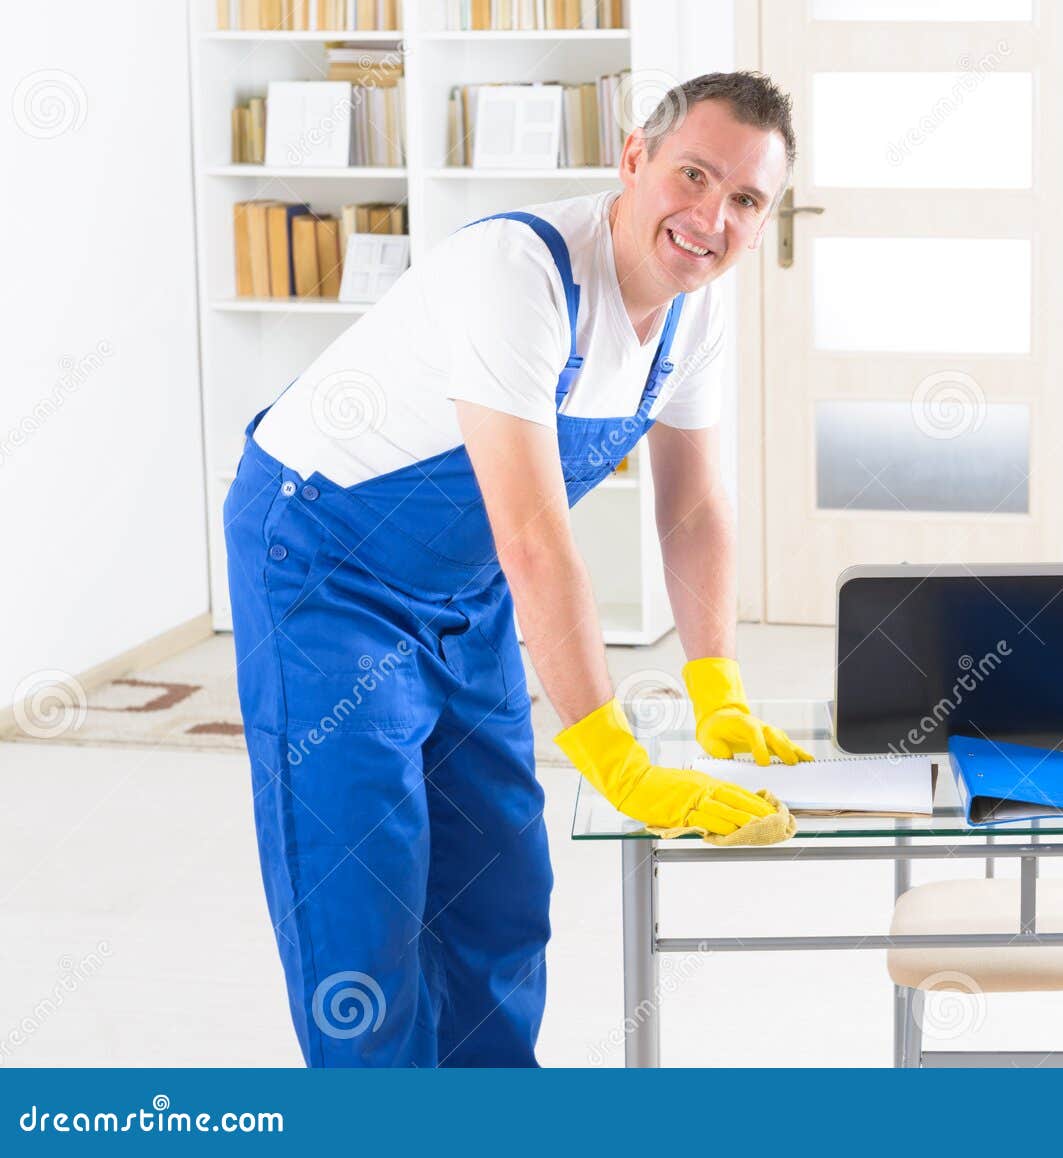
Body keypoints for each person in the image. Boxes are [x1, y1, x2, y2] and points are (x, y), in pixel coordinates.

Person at [222, 72, 806, 1067]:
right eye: (693, 175)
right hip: (324, 569)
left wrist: (717, 682)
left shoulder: (696, 314)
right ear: (634, 157)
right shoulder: (521, 272)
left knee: (498, 887)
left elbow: (695, 507)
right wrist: (617, 761)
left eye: (746, 199)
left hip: (465, 583)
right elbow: (535, 539)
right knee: (365, 898)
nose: (711, 217)